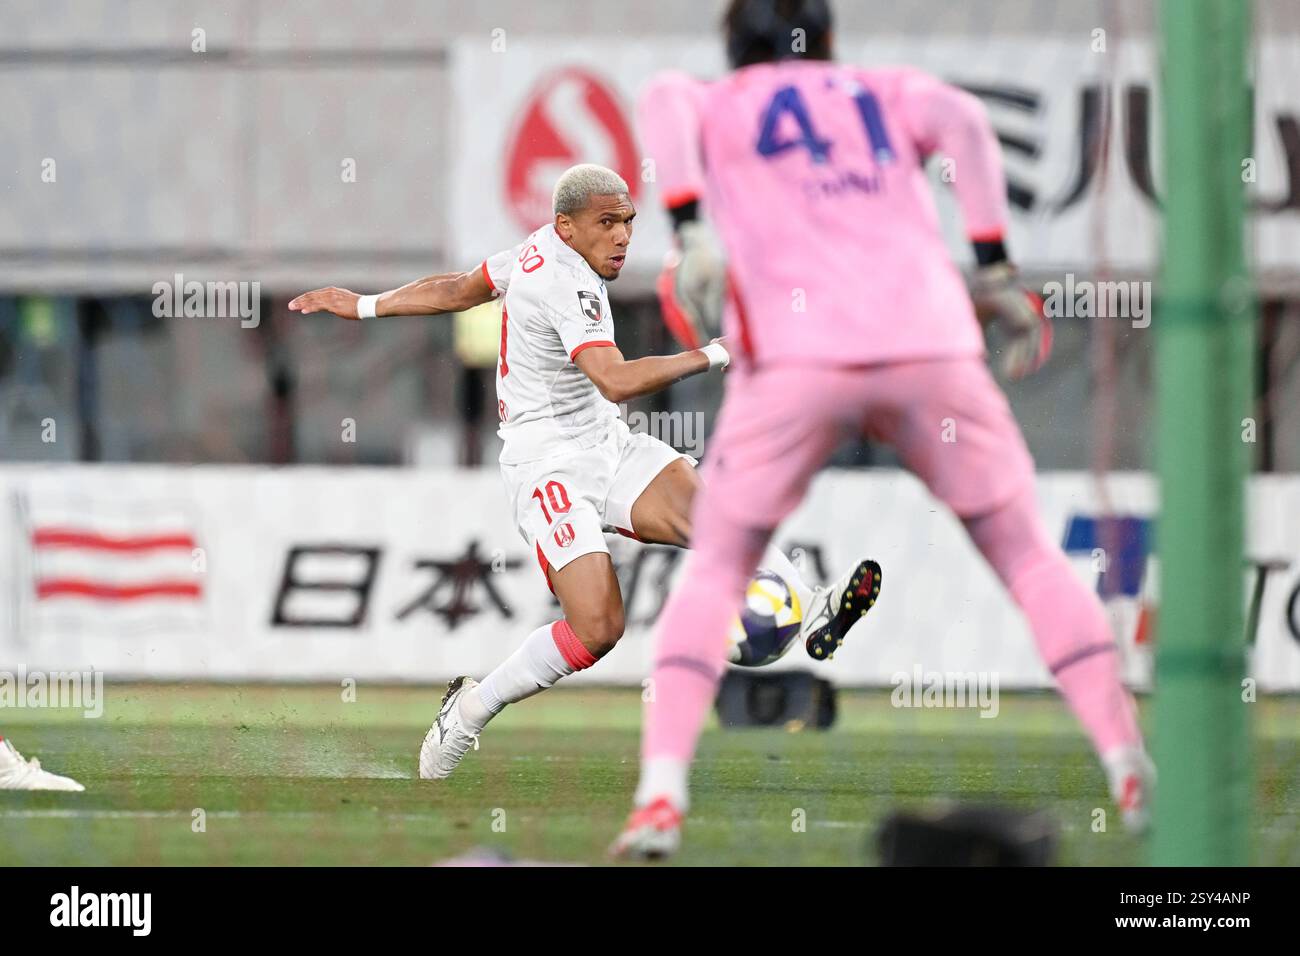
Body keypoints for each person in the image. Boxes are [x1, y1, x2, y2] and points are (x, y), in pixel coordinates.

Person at [611, 0, 1152, 859]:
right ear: (828, 39)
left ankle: (661, 798)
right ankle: (1127, 764)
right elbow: (965, 121)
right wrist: (995, 263)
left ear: (734, 45)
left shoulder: (718, 102)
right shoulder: (884, 90)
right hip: (929, 345)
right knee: (1026, 555)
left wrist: (687, 228)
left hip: (796, 358)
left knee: (715, 568)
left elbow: (664, 101)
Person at [289, 163, 881, 782]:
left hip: (606, 444)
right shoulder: (561, 283)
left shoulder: (537, 252)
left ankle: (813, 607)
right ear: (566, 228)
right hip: (547, 466)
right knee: (598, 627)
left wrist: (361, 304)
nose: (623, 236)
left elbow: (459, 289)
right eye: (607, 224)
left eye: (627, 221)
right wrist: (719, 353)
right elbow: (616, 378)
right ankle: (468, 710)